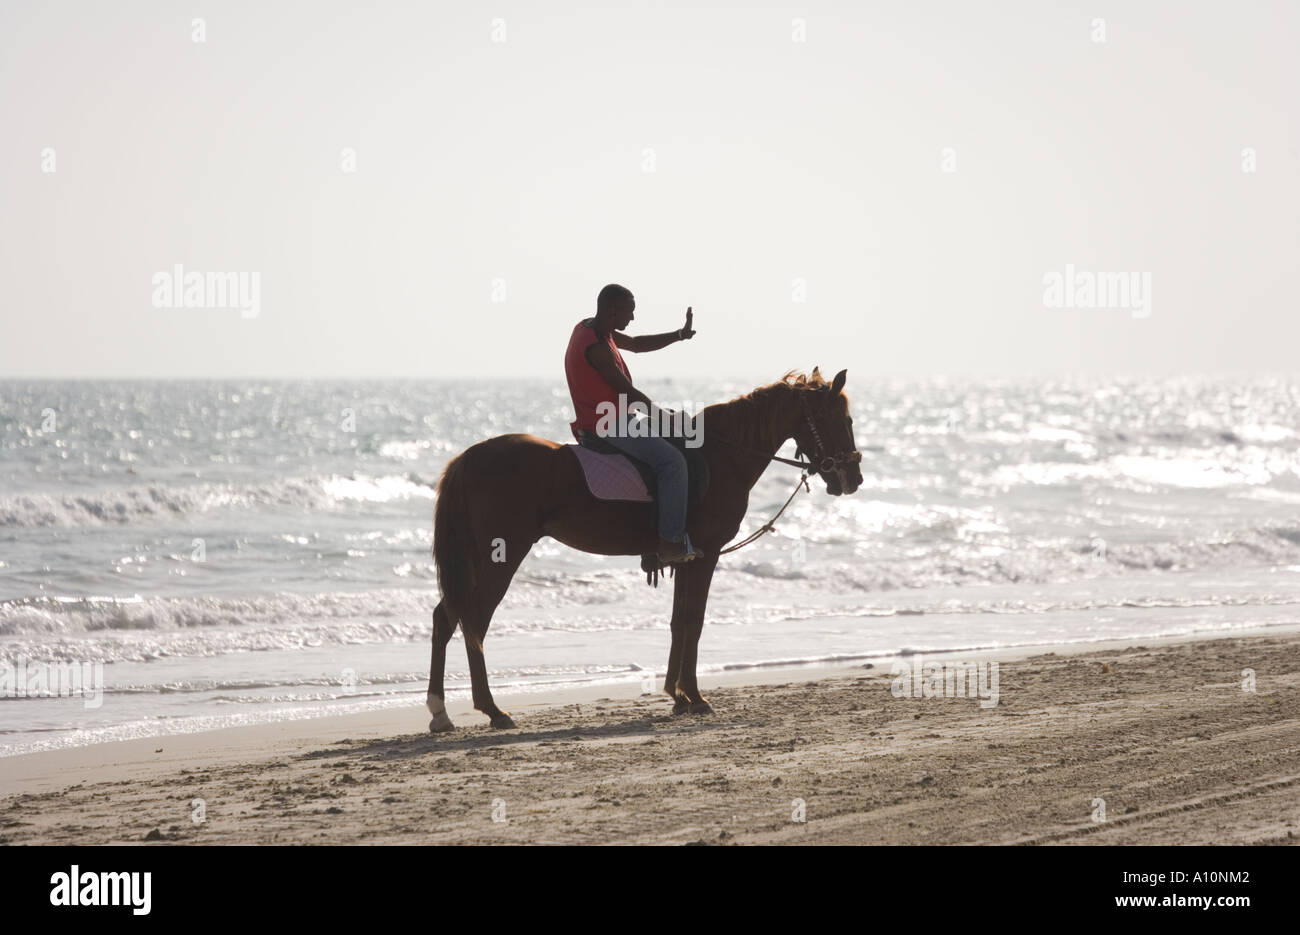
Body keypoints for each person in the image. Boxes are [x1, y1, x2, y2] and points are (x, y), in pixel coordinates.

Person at [564, 283, 698, 563]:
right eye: (630, 312)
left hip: (619, 418)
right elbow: (628, 393)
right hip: (608, 426)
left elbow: (636, 344)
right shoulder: (597, 348)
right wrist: (664, 416)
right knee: (673, 463)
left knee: (685, 437)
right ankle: (669, 543)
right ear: (613, 311)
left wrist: (679, 335)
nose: (633, 318)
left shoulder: (591, 328)